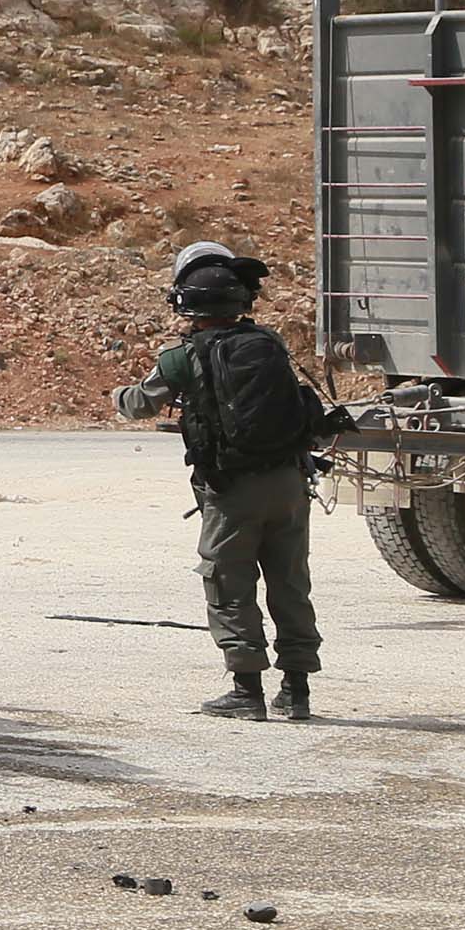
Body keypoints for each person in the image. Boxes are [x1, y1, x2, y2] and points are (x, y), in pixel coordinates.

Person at [115, 242, 333, 719]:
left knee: (229, 584)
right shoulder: (269, 343)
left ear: (185, 304)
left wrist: (118, 393)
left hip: (232, 490)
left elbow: (139, 404)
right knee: (290, 583)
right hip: (291, 482)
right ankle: (296, 689)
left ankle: (246, 689)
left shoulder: (181, 356)